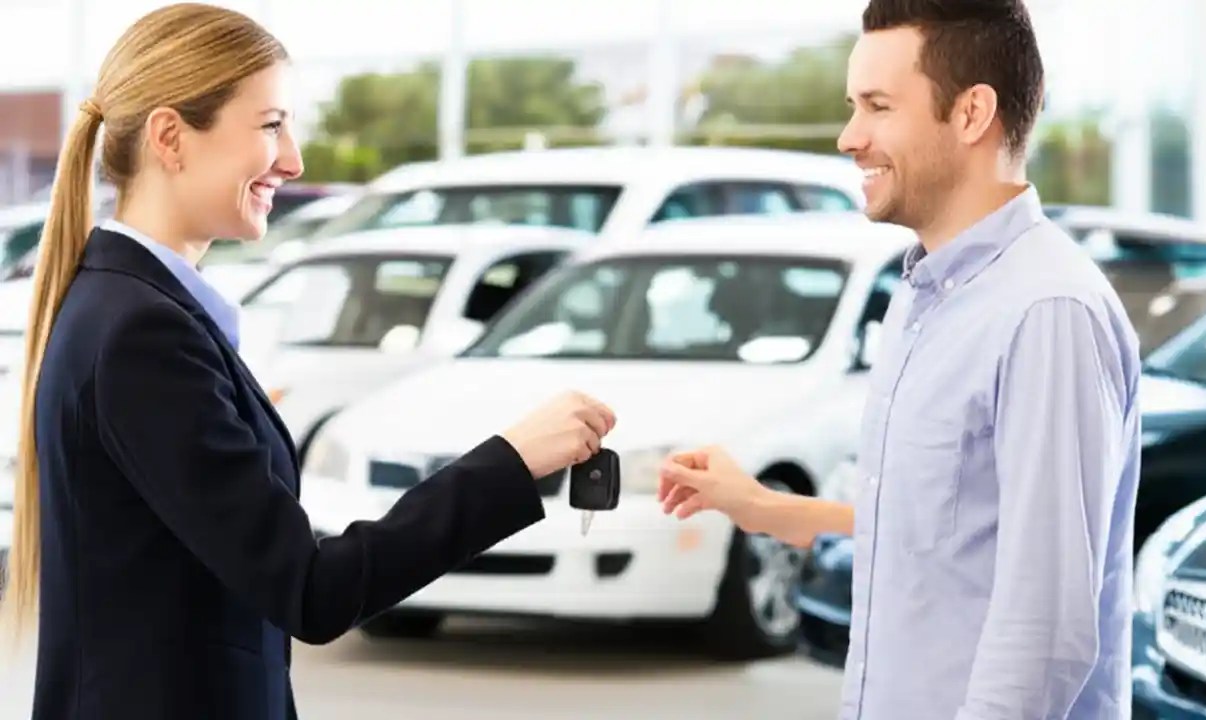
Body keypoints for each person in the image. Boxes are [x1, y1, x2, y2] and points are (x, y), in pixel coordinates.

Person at [0, 5, 615, 719]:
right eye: (270, 125)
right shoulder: (142, 335)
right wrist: (510, 461)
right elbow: (310, 588)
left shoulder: (125, 311)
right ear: (170, 137)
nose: (293, 159)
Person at [658, 1, 1140, 718]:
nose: (851, 137)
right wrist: (761, 506)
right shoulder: (925, 296)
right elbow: (940, 531)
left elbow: (1044, 632)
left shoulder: (1046, 311)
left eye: (878, 107)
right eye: (854, 107)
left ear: (972, 112)